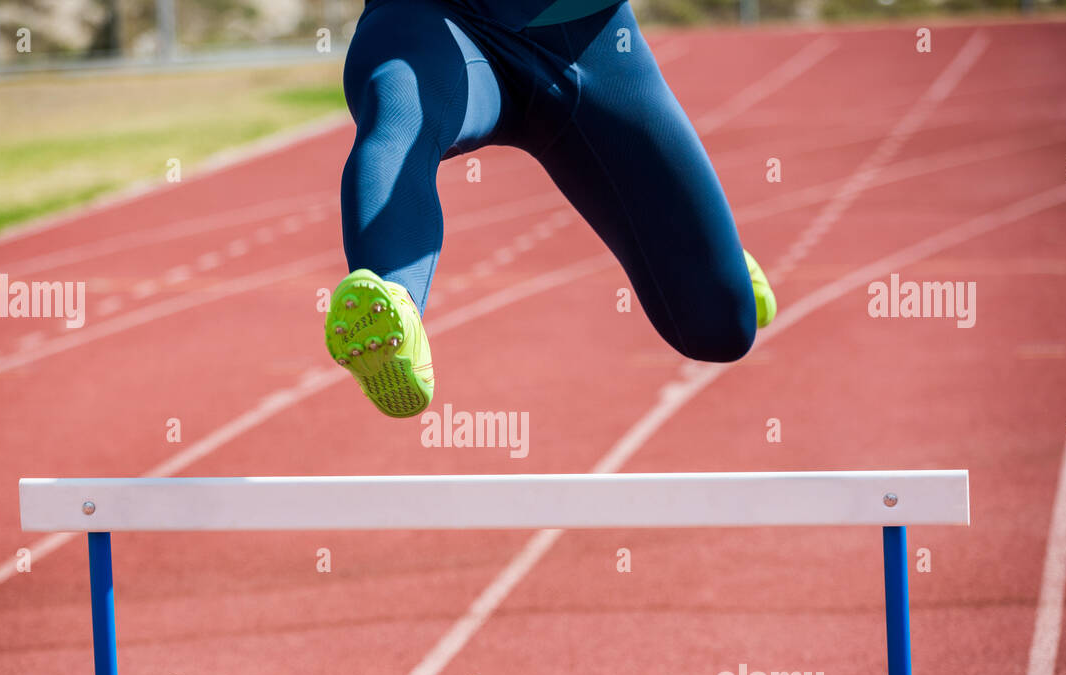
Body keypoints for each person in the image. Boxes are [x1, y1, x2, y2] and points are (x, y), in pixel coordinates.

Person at [324, 0, 777, 418]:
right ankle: (390, 310)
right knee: (401, 113)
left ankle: (720, 255)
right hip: (428, 22)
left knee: (720, 327)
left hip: (591, 43)